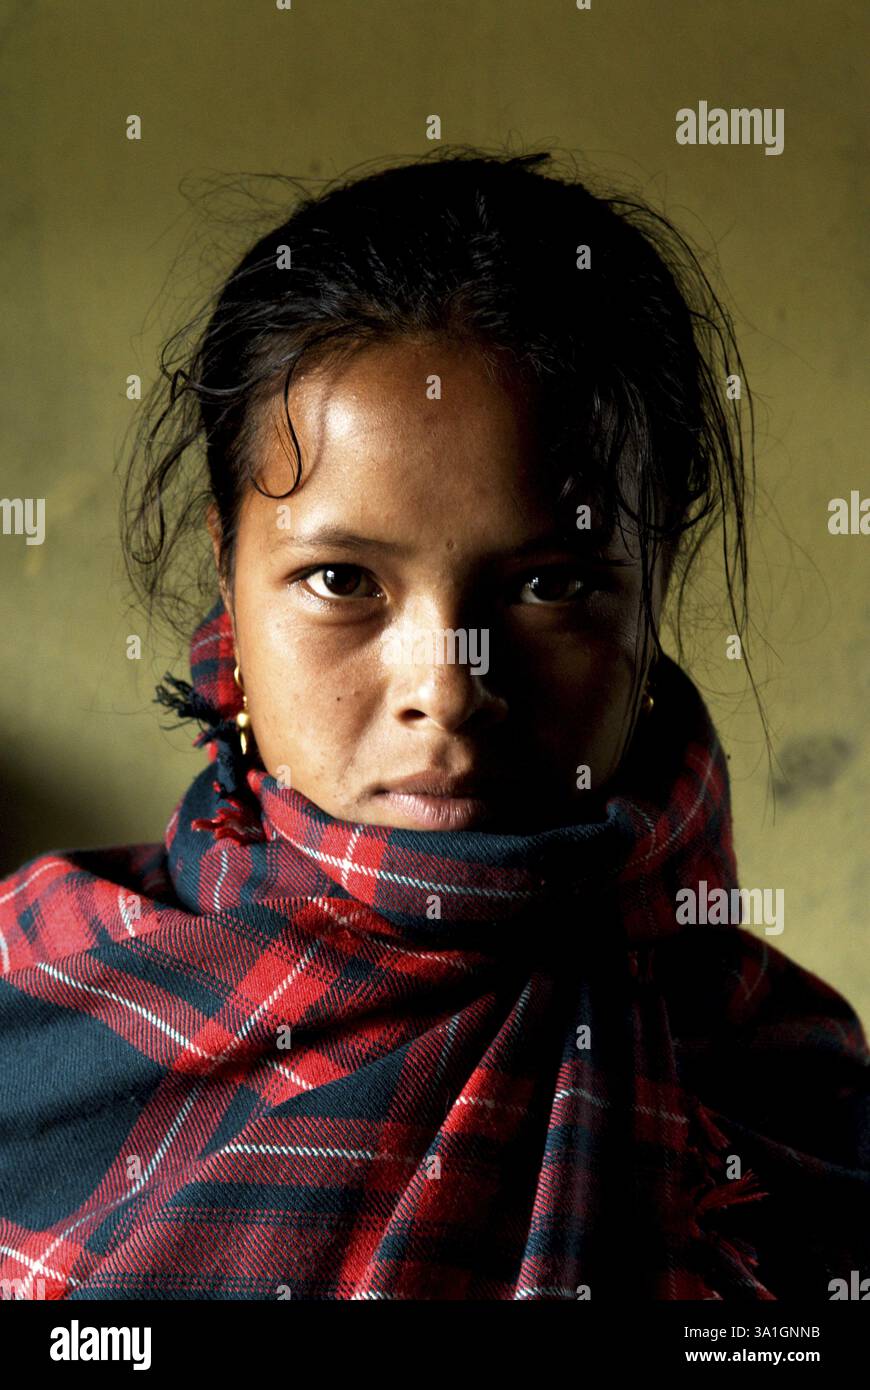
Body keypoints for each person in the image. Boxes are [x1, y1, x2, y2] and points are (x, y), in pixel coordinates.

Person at [0, 151, 867, 1302]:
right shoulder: (45, 998)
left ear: (656, 570)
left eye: (551, 586)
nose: (450, 689)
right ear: (227, 563)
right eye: (343, 579)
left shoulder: (787, 1095)